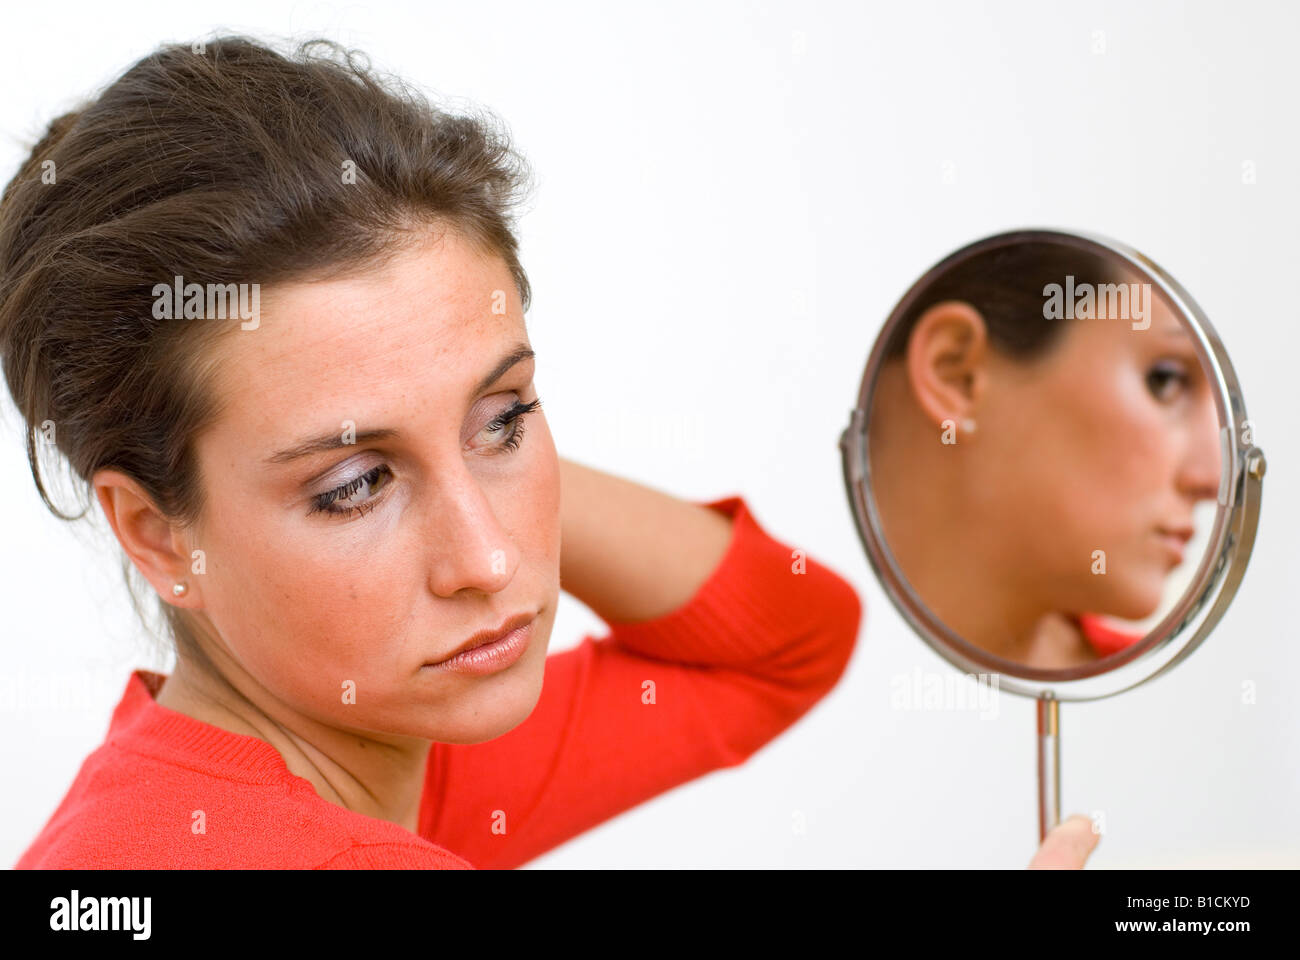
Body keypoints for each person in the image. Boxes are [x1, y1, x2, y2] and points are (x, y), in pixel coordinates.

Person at [0, 36, 1094, 868]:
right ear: (155, 531)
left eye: (508, 416)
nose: (485, 561)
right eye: (352, 483)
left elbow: (786, 641)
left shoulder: (372, 756)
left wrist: (435, 440)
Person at [867, 240, 1221, 670]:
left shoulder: (1168, 717)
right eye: (1164, 380)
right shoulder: (791, 664)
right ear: (957, 372)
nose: (1214, 478)